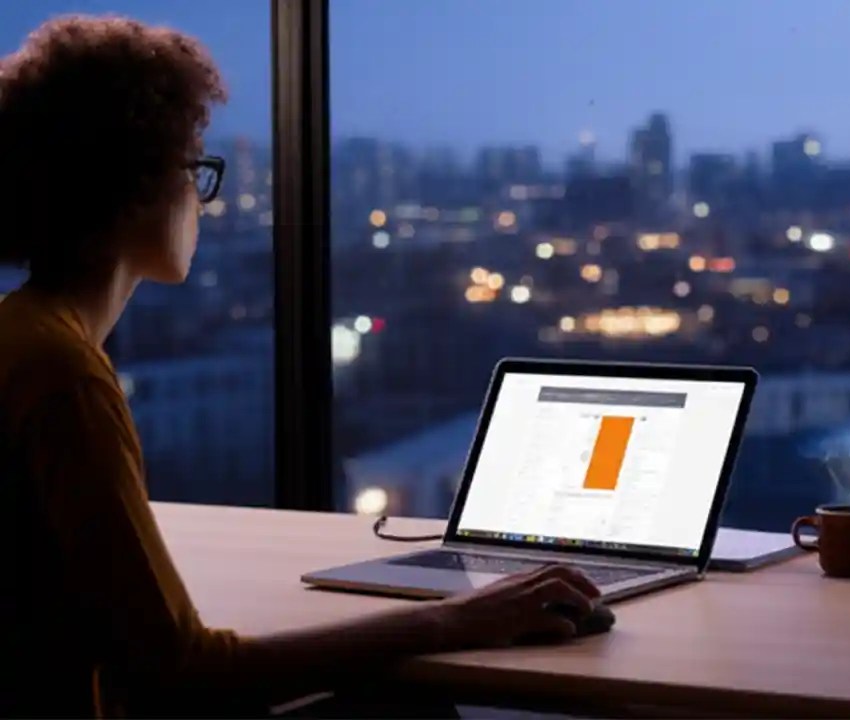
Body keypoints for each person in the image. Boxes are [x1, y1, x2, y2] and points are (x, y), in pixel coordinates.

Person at [0, 14, 600, 719]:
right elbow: (182, 671)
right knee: (404, 706)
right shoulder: (66, 377)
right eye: (193, 166)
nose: (200, 197)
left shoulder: (22, 337)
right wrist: (458, 619)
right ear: (132, 185)